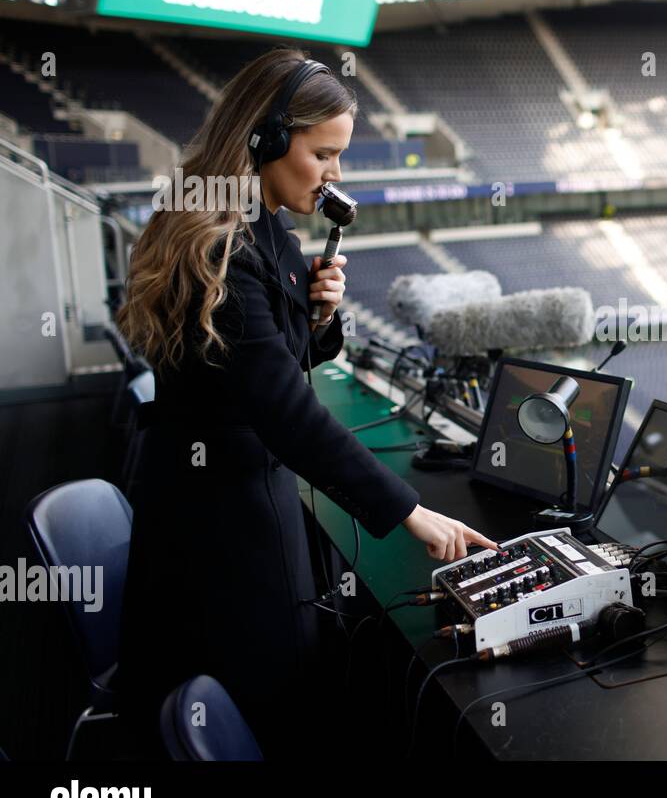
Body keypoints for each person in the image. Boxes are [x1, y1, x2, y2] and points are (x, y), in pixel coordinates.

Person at [113, 48, 497, 757]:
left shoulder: (259, 228)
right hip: (220, 531)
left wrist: (317, 316)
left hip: (211, 497)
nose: (334, 176)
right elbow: (286, 413)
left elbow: (274, 363)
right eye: (323, 154)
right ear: (261, 139)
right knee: (271, 711)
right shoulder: (224, 250)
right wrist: (410, 512)